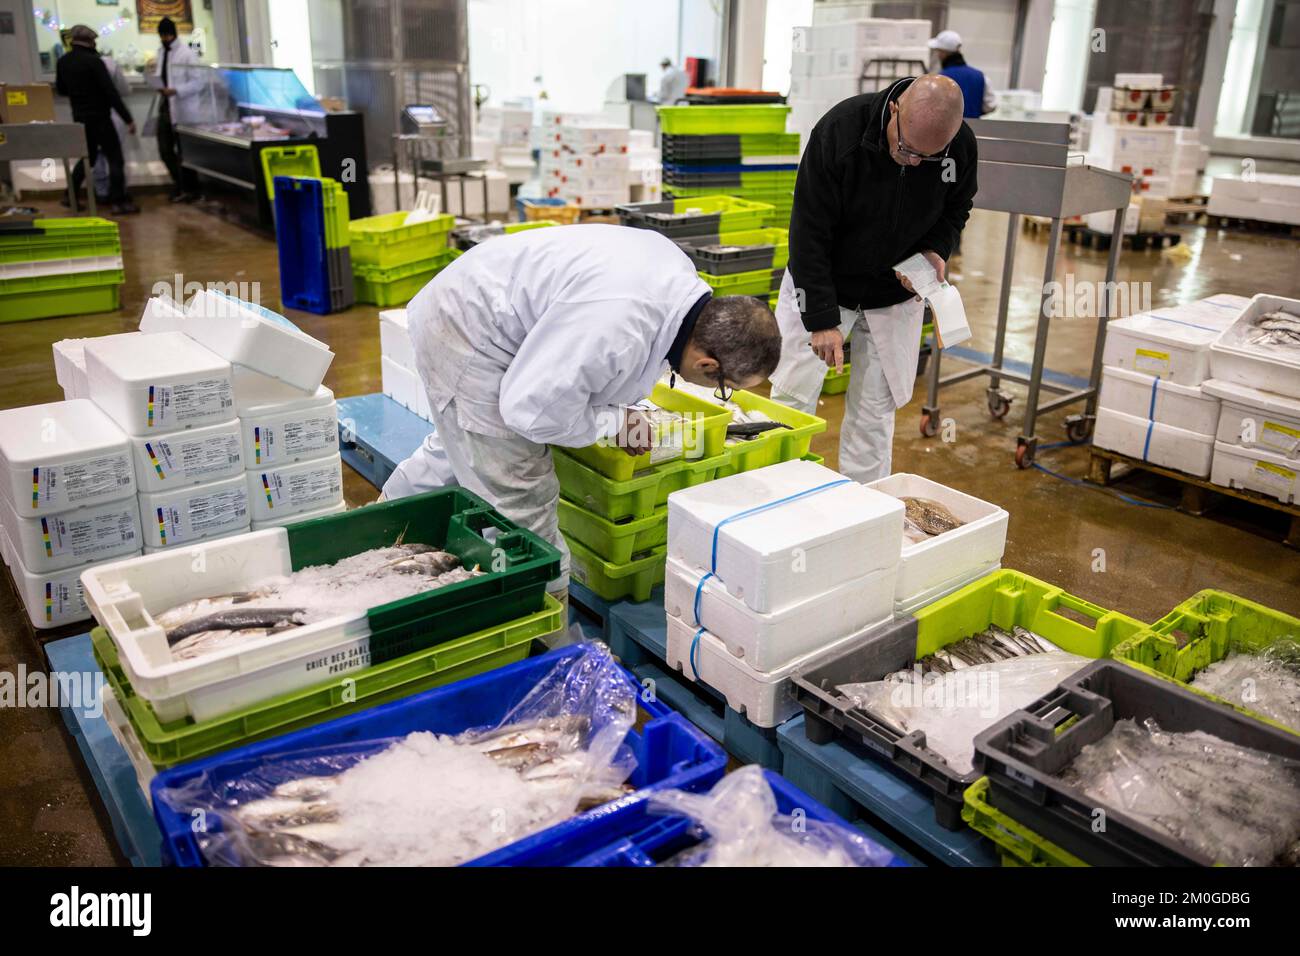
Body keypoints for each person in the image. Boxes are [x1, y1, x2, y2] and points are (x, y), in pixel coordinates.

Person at [382, 225, 782, 606]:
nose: (718, 393)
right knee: (524, 505)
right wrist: (614, 423)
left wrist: (617, 410)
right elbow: (531, 412)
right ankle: (552, 646)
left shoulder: (678, 284)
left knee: (459, 447)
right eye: (724, 387)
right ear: (708, 364)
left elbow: (598, 361)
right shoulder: (619, 326)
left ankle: (376, 527)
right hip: (472, 335)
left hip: (477, 298)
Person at [768, 74, 977, 483]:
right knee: (791, 402)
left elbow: (958, 206)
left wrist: (935, 249)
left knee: (874, 414)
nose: (914, 162)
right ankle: (775, 493)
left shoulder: (960, 147)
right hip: (824, 283)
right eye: (907, 149)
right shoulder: (839, 132)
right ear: (896, 109)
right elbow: (808, 231)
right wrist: (822, 318)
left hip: (893, 296)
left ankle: (863, 509)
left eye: (928, 157)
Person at [55, 24, 138, 214]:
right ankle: (119, 202)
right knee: (115, 158)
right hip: (101, 118)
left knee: (87, 158)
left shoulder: (63, 62)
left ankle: (70, 195)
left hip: (80, 118)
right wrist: (128, 119)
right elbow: (111, 92)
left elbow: (61, 89)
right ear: (91, 42)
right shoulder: (95, 61)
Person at [154, 17, 203, 202]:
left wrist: (177, 90)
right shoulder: (161, 52)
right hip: (166, 107)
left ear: (173, 34)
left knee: (185, 152)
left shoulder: (187, 54)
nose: (165, 39)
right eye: (162, 36)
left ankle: (190, 190)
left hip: (183, 108)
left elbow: (198, 82)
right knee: (165, 149)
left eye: (167, 36)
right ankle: (179, 184)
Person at [928, 30, 995, 119]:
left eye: (938, 51)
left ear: (943, 53)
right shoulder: (981, 76)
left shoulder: (939, 79)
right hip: (974, 129)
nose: (938, 55)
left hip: (947, 131)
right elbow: (990, 106)